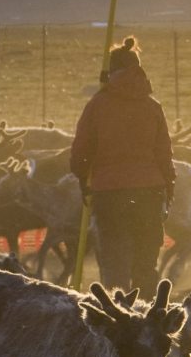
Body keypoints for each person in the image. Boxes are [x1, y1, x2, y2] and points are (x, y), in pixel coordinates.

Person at [70, 36, 176, 291]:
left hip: (110, 192)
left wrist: (83, 178)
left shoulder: (97, 105)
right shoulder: (152, 106)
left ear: (110, 71)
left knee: (114, 262)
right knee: (145, 263)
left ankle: (117, 320)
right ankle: (149, 318)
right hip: (150, 191)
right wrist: (168, 185)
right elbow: (164, 152)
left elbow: (82, 151)